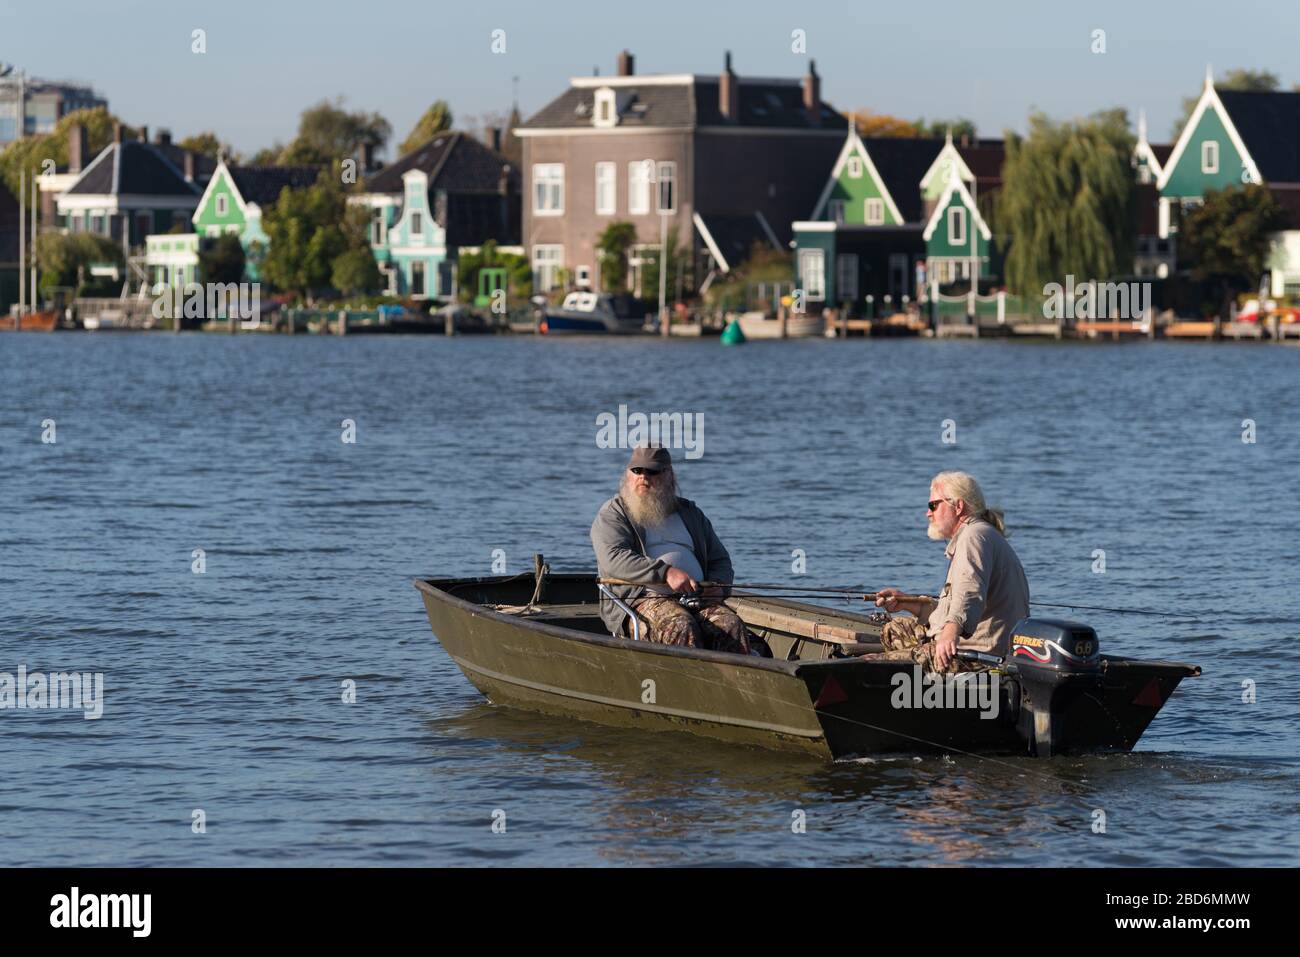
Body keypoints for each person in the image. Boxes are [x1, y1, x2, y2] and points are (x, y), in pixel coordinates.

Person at [590, 446, 750, 654]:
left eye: (652, 471)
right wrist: (666, 573)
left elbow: (720, 560)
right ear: (627, 475)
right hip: (640, 600)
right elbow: (614, 559)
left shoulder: (691, 513)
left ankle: (737, 683)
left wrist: (719, 586)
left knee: (731, 625)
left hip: (697, 598)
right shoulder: (613, 514)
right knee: (681, 626)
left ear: (669, 475)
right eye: (637, 471)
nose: (643, 477)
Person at [868, 470, 1029, 673]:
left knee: (869, 664)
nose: (928, 513)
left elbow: (970, 593)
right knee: (894, 630)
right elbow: (957, 604)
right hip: (974, 643)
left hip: (979, 658)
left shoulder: (973, 537)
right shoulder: (979, 534)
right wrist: (909, 603)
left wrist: (949, 633)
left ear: (958, 506)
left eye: (933, 505)